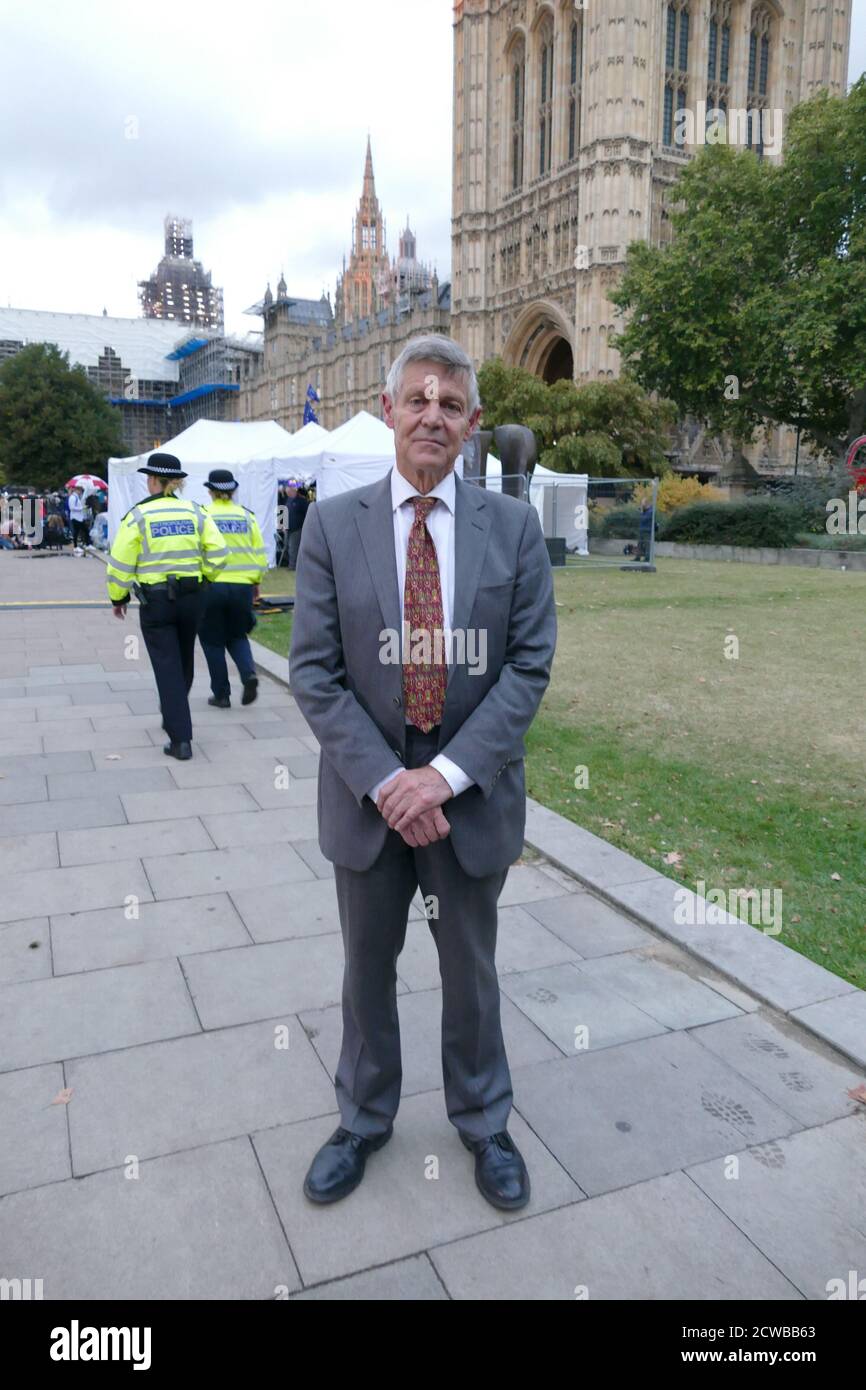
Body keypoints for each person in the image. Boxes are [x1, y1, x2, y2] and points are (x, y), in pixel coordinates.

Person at [289, 335, 557, 1210]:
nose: (433, 416)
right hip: (370, 805)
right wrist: (387, 782)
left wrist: (440, 776)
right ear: (389, 410)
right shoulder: (332, 526)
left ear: (473, 424)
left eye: (451, 404)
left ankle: (484, 1121)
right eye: (418, 399)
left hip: (467, 801)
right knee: (366, 971)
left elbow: (526, 668)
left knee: (470, 973)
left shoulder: (514, 529)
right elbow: (315, 673)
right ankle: (363, 1118)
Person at [105, 453, 229, 760]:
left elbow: (120, 563)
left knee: (166, 664)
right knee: (183, 658)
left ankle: (180, 740)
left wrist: (118, 597)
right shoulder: (196, 512)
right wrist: (206, 579)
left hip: (157, 601)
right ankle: (174, 710)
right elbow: (219, 553)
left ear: (152, 481)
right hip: (192, 598)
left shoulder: (138, 516)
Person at [198, 468, 268, 708]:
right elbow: (259, 553)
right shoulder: (247, 517)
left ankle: (221, 694)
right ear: (233, 490)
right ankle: (248, 673)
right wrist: (256, 582)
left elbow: (198, 552)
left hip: (212, 586)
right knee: (238, 635)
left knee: (212, 640)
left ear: (210, 491)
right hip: (243, 587)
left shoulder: (203, 515)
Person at [285, 480, 309, 570]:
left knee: (293, 547)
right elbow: (284, 512)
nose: (287, 491)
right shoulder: (288, 500)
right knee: (287, 546)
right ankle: (291, 564)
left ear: (293, 490)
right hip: (288, 528)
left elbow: (307, 513)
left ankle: (293, 565)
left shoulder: (302, 501)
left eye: (288, 490)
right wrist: (283, 525)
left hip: (297, 529)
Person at [68, 485, 89, 553]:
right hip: (75, 518)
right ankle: (75, 547)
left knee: (85, 530)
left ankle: (86, 544)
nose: (81, 493)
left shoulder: (76, 497)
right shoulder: (73, 497)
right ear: (77, 490)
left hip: (79, 518)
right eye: (81, 491)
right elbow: (72, 508)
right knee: (76, 533)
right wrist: (82, 508)